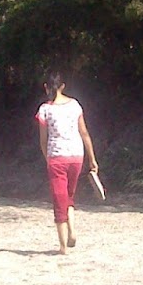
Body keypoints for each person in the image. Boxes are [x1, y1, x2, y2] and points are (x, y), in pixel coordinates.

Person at [35, 71, 99, 255]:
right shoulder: (75, 105)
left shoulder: (45, 109)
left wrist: (48, 159)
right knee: (68, 195)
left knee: (59, 199)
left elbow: (43, 140)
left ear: (46, 87)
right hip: (76, 156)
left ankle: (63, 247)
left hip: (57, 157)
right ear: (63, 86)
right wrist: (92, 159)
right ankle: (72, 231)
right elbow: (84, 133)